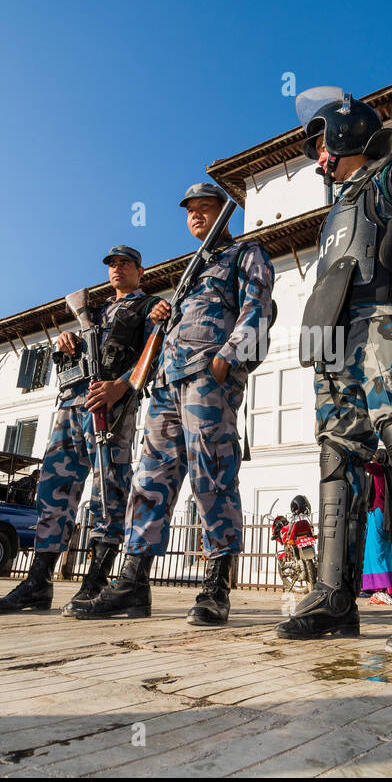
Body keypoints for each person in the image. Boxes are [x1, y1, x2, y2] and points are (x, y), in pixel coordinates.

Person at [276, 90, 392, 660]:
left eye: (320, 145)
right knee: (338, 459)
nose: (318, 160)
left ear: (343, 131)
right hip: (333, 339)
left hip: (387, 323)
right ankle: (334, 596)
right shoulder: (337, 208)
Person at [76, 183, 274, 626]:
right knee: (149, 480)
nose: (197, 216)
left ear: (224, 213)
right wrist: (165, 319)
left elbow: (258, 306)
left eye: (206, 209)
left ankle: (216, 587)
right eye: (191, 211)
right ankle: (133, 583)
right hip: (165, 385)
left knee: (213, 476)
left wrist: (229, 356)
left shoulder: (245, 253)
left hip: (207, 379)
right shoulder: (191, 271)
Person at [0, 245, 160, 613]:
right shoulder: (96, 313)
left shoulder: (149, 307)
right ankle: (39, 582)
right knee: (54, 488)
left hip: (110, 406)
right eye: (112, 265)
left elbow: (154, 354)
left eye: (125, 264)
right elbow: (76, 356)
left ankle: (95, 582)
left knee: (108, 489)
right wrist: (67, 341)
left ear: (140, 271)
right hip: (72, 404)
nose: (117, 269)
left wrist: (123, 386)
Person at [361, 450, 392, 604]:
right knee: (383, 550)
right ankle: (388, 588)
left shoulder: (380, 470)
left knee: (376, 551)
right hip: (385, 515)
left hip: (378, 513)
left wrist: (364, 452)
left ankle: (379, 588)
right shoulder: (388, 473)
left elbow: (366, 465)